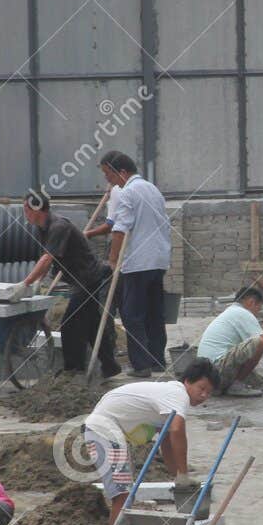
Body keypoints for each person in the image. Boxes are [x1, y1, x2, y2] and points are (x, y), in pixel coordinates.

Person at [83, 358, 217, 524]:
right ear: (188, 381)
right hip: (104, 432)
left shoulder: (168, 397)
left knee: (125, 493)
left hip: (104, 431)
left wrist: (177, 477)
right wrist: (183, 473)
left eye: (209, 393)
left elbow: (167, 442)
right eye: (201, 388)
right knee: (122, 495)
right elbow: (177, 430)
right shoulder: (178, 394)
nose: (204, 395)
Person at [19, 191, 120, 379]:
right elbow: (49, 258)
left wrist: (25, 283)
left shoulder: (58, 226)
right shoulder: (43, 227)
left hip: (89, 278)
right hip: (78, 278)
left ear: (36, 209)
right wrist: (37, 283)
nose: (25, 213)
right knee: (91, 323)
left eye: (26, 209)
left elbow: (47, 258)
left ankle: (73, 369)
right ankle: (110, 365)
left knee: (70, 322)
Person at [100, 151, 171, 377]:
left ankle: (141, 365)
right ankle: (157, 360)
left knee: (132, 314)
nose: (108, 179)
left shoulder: (128, 193)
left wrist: (112, 260)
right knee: (154, 313)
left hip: (139, 262)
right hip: (158, 260)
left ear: (121, 171)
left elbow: (120, 229)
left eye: (108, 174)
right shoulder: (153, 190)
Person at [196, 287, 263, 397]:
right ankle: (236, 386)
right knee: (260, 342)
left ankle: (222, 386)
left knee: (258, 343)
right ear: (251, 302)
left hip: (207, 374)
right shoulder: (242, 313)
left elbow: (257, 340)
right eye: (258, 309)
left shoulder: (232, 311)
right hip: (217, 371)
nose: (257, 314)